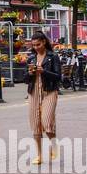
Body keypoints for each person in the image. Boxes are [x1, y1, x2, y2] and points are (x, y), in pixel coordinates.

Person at [24, 31, 62, 165]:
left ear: (44, 42)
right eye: (33, 45)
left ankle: (54, 145)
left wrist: (43, 71)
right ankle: (39, 155)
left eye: (38, 44)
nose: (36, 47)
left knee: (46, 122)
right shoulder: (31, 58)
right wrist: (29, 73)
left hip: (49, 91)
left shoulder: (53, 57)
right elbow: (25, 79)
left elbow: (58, 76)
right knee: (35, 124)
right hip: (33, 92)